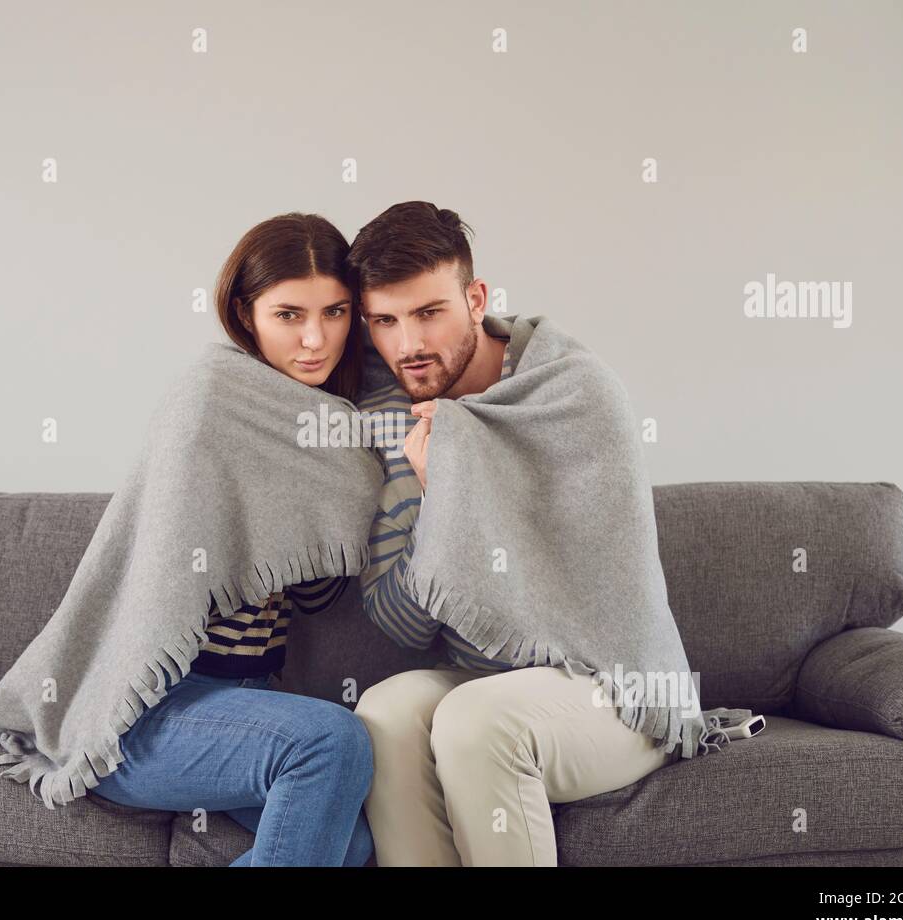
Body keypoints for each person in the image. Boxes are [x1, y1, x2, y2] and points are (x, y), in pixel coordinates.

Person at [349, 201, 675, 866]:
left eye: (428, 313)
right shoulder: (394, 420)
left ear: (476, 298)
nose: (407, 344)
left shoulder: (571, 392)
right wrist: (435, 489)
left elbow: (613, 606)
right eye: (384, 321)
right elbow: (401, 626)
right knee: (383, 712)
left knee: (476, 721)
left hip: (613, 687)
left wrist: (463, 477)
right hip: (478, 675)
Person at [89, 213, 376, 867]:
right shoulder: (212, 401)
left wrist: (347, 484)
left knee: (353, 845)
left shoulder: (327, 425)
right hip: (142, 711)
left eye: (335, 312)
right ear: (246, 314)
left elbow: (313, 595)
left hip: (244, 706)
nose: (315, 338)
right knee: (333, 741)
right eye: (289, 315)